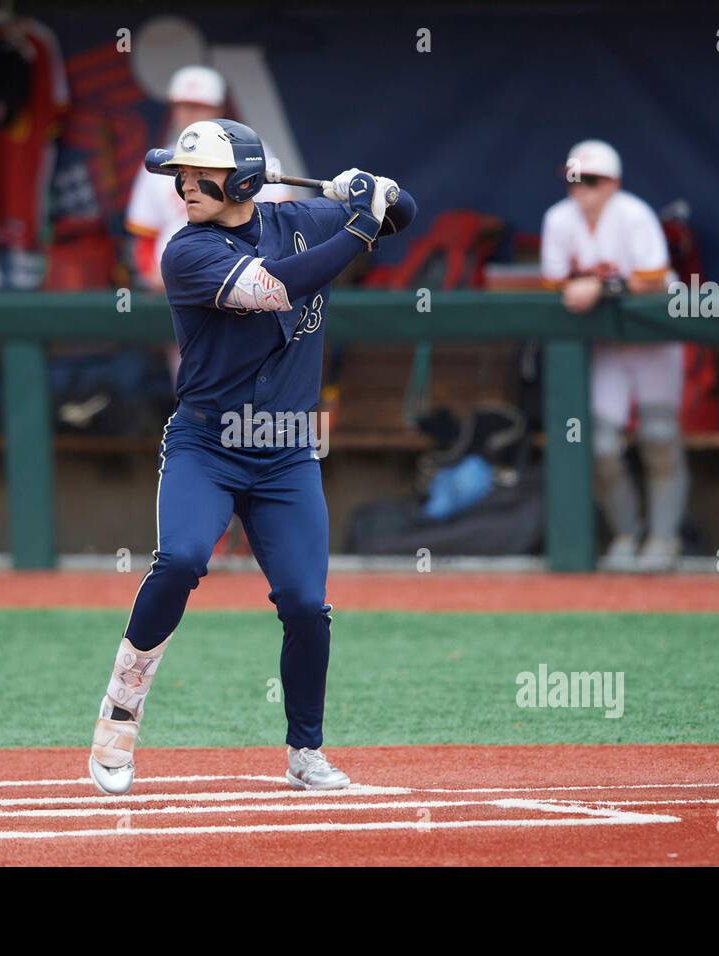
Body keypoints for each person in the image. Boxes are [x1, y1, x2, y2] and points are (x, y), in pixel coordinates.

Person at [87, 119, 417, 795]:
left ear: (240, 181)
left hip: (286, 452)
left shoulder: (301, 218)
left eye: (198, 175)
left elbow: (402, 213)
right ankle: (120, 712)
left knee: (304, 604)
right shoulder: (186, 252)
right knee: (180, 560)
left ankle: (305, 752)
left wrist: (374, 190)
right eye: (179, 174)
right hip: (207, 443)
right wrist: (357, 224)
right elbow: (275, 288)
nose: (183, 186)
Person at [539, 140, 689, 569]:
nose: (581, 188)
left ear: (613, 184)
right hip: (608, 344)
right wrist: (582, 288)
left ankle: (664, 539)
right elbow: (553, 283)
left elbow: (653, 280)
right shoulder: (558, 218)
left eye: (592, 180)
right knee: (600, 445)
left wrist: (601, 288)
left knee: (659, 437)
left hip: (654, 339)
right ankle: (626, 532)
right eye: (574, 179)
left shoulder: (634, 213)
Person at [125, 66, 293, 294]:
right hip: (173, 285)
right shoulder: (161, 161)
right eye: (184, 106)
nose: (189, 114)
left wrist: (264, 268)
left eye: (199, 107)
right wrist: (152, 275)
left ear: (219, 109)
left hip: (242, 280)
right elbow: (145, 234)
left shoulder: (250, 151)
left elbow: (280, 216)